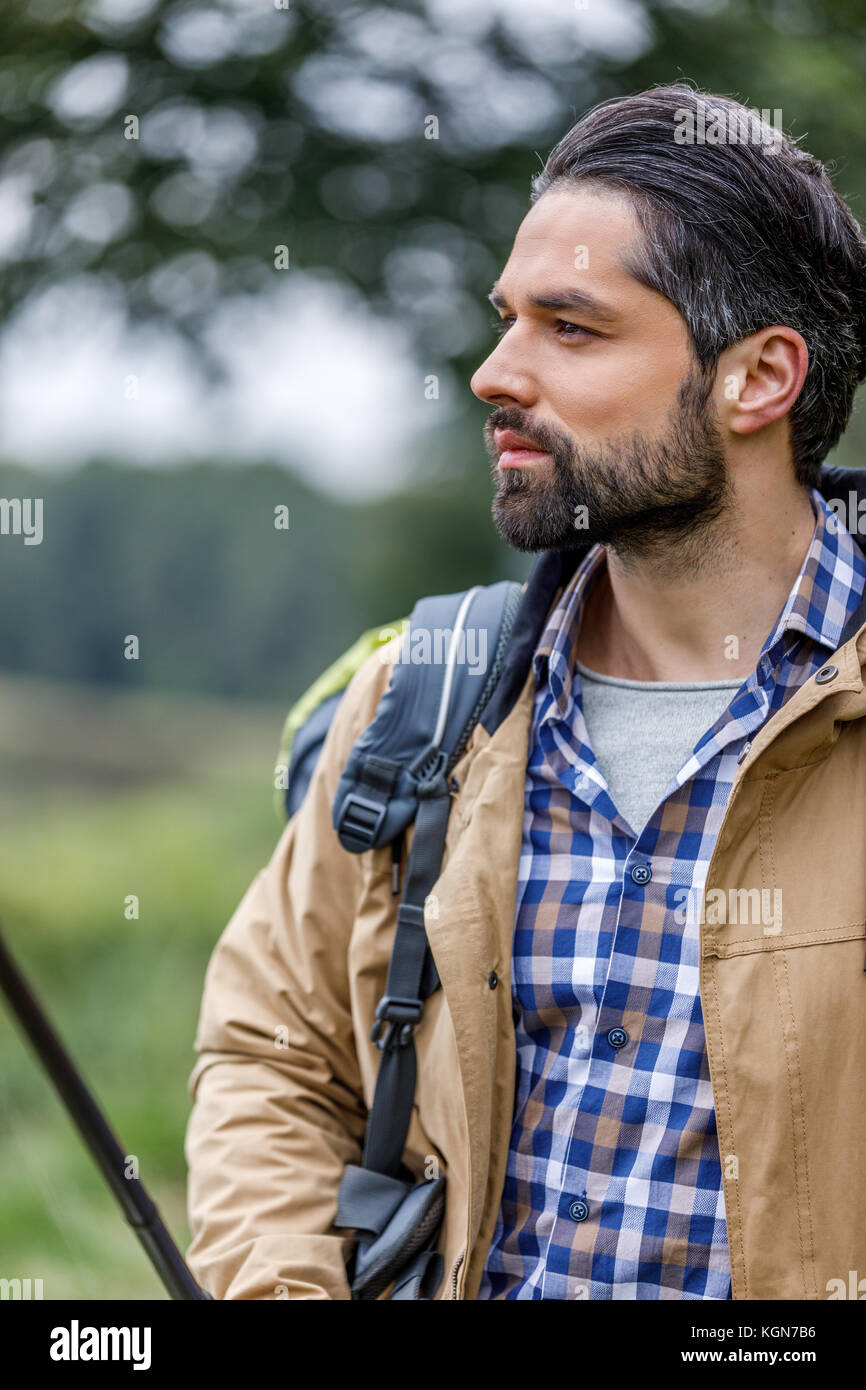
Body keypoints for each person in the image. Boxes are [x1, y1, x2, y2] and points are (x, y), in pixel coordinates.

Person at [184, 84, 866, 1300]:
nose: (494, 374)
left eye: (572, 328)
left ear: (756, 379)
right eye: (508, 320)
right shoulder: (424, 700)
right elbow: (270, 1058)